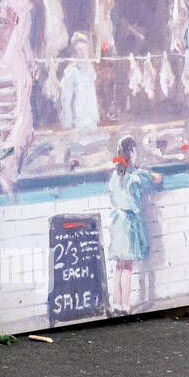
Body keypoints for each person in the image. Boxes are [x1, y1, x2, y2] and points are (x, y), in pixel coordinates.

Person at [107, 136, 161, 316]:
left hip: (116, 223)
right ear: (132, 153)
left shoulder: (115, 176)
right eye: (135, 151)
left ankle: (115, 303)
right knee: (128, 267)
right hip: (129, 224)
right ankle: (125, 306)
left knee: (119, 266)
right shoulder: (136, 177)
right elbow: (157, 178)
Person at [59, 32, 100, 130]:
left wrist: (94, 117)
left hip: (91, 121)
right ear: (75, 53)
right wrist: (68, 123)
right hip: (77, 123)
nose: (83, 53)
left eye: (85, 50)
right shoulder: (71, 72)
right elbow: (66, 99)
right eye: (80, 50)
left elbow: (91, 96)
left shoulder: (90, 69)